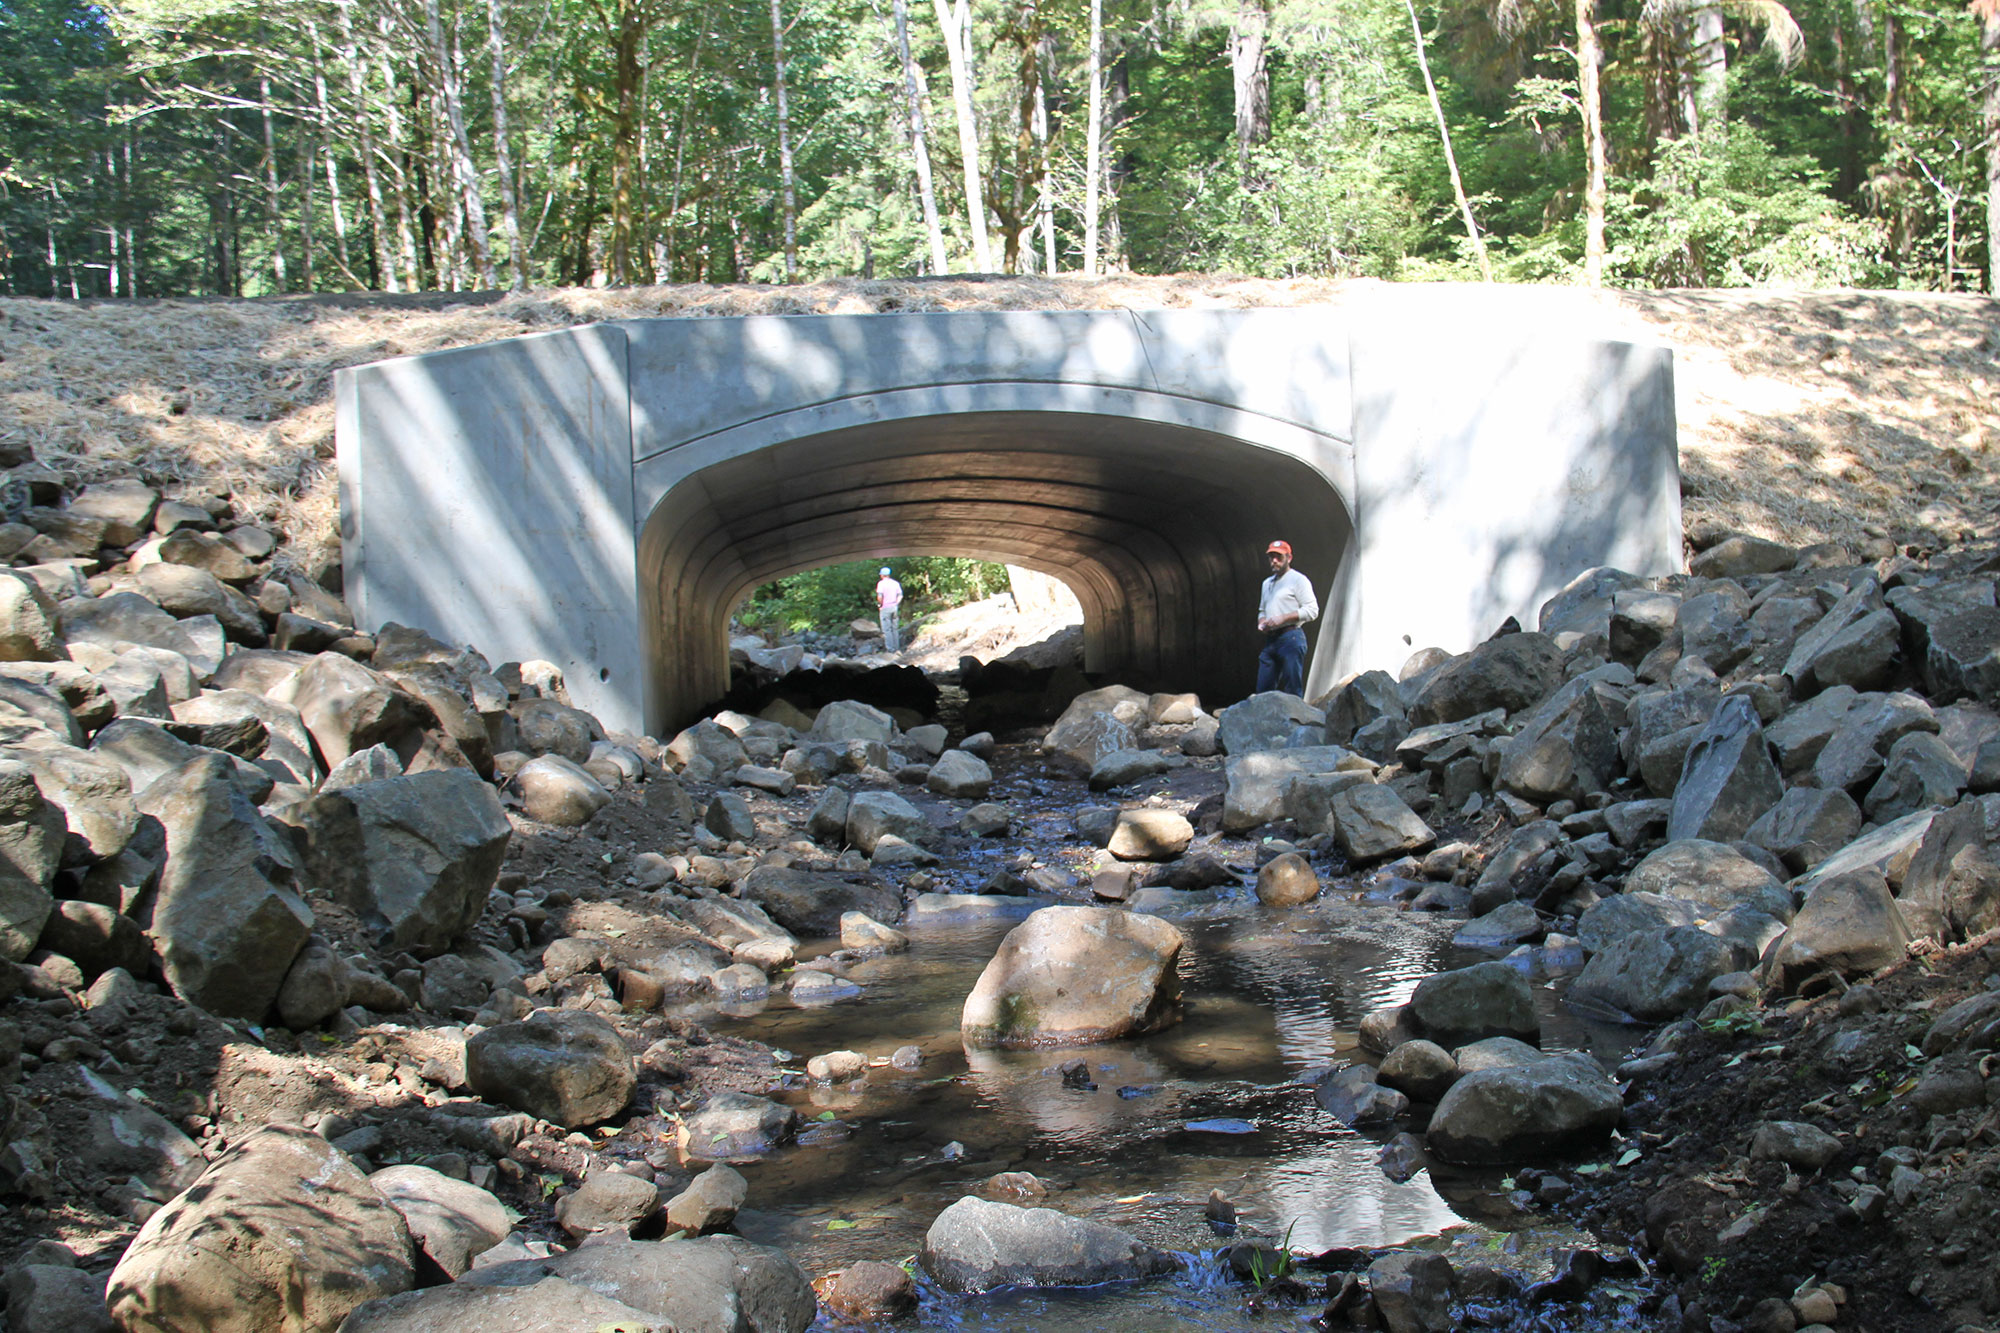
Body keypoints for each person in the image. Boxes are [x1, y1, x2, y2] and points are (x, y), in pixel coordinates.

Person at [1256, 540, 1318, 696]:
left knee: (1292, 688)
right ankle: (1266, 720)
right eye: (1271, 557)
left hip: (1291, 637)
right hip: (1271, 640)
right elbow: (1262, 610)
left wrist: (1283, 618)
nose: (1274, 560)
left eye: (1279, 557)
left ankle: (1297, 719)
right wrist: (1262, 621)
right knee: (1263, 691)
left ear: (1289, 558)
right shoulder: (1267, 583)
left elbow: (1312, 610)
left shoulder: (1298, 580)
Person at [875, 565, 903, 652]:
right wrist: (896, 603)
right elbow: (900, 595)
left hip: (885, 608)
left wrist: (880, 605)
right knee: (894, 628)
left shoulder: (881, 584)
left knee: (887, 630)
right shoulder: (895, 583)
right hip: (894, 607)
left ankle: (890, 650)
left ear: (882, 575)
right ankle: (897, 648)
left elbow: (879, 596)